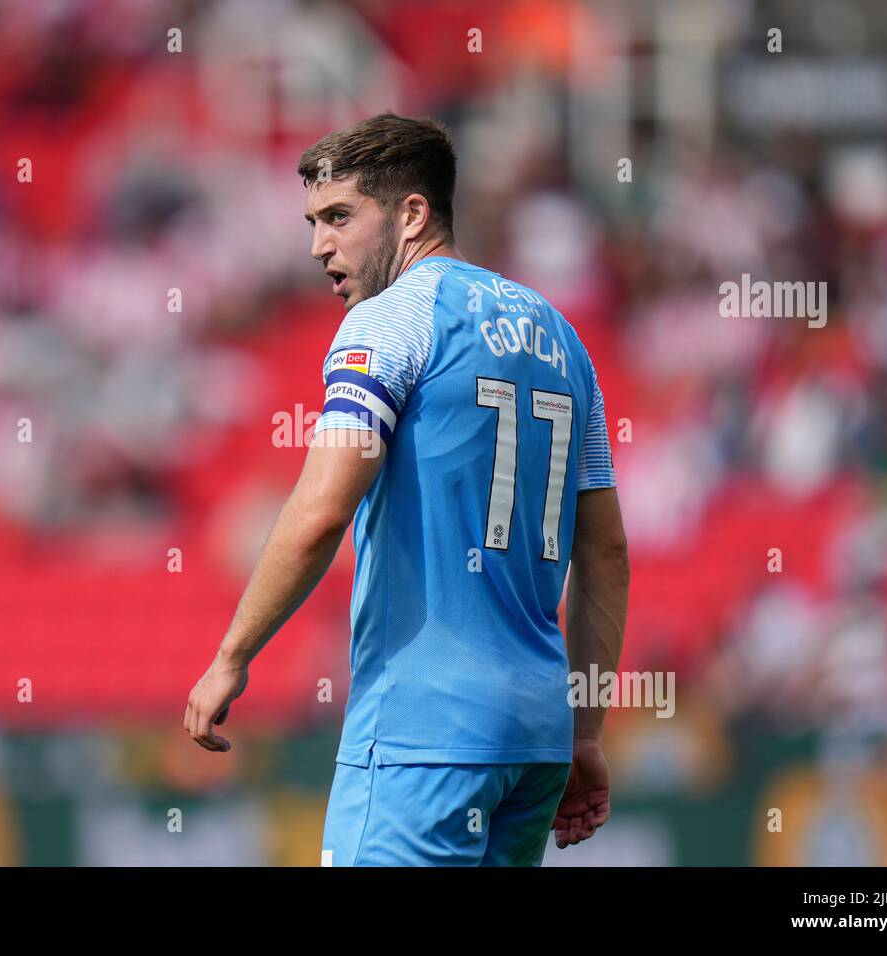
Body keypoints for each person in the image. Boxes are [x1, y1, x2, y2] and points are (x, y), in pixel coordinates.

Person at [184, 113, 629, 866]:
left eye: (338, 217)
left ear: (412, 212)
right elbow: (607, 554)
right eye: (312, 221)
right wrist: (583, 732)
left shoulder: (386, 323)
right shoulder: (562, 338)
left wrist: (232, 654)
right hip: (534, 739)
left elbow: (322, 509)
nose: (318, 244)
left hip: (424, 732)